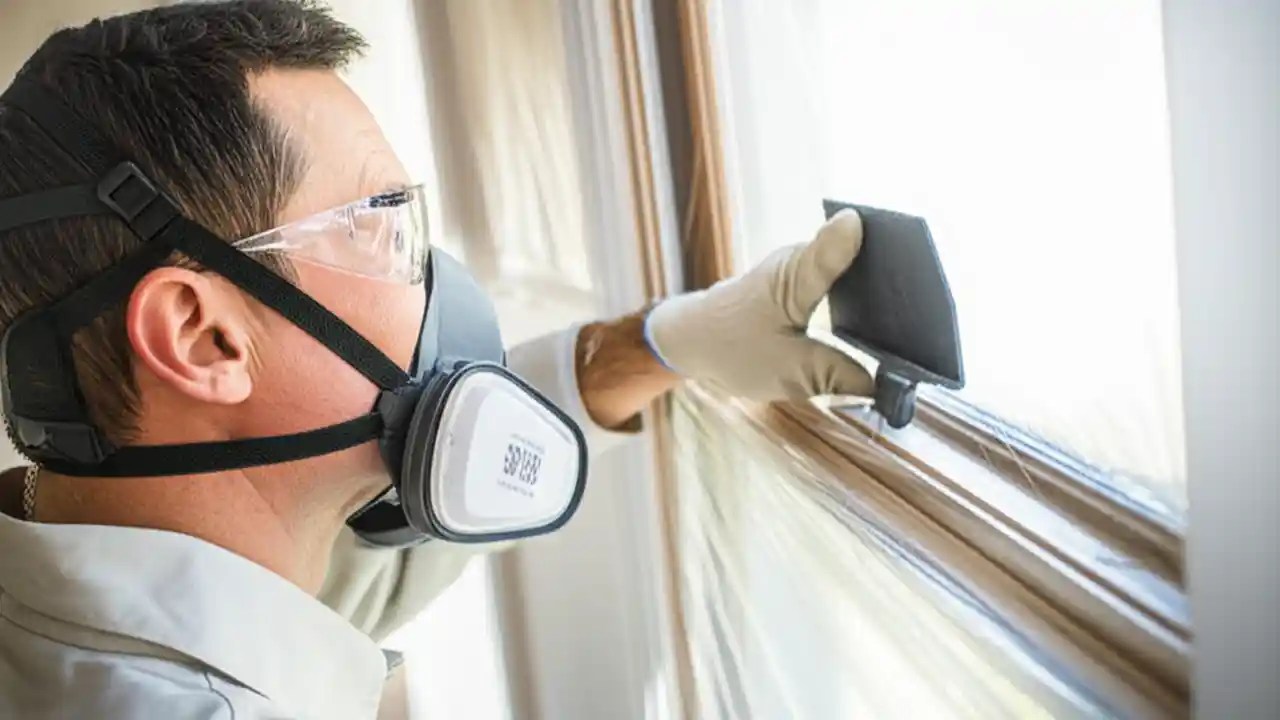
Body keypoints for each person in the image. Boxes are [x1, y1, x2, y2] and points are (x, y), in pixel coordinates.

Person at [0, 2, 872, 718]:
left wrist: (660, 343)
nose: (432, 276)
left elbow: (359, 573)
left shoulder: (108, 586)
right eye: (379, 226)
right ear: (204, 339)